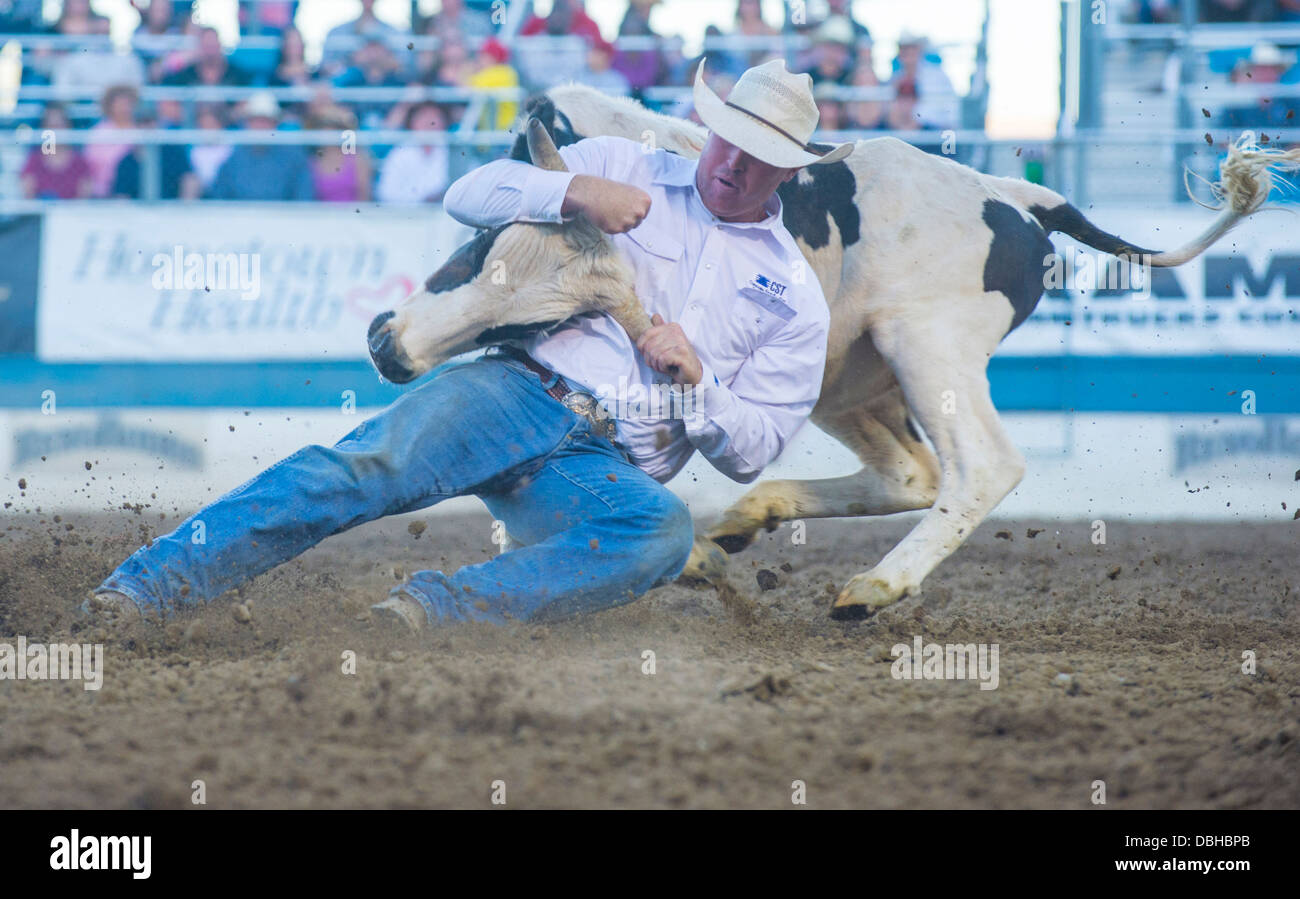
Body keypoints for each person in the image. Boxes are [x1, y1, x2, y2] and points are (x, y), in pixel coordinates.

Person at [87, 59, 849, 632]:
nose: (732, 162)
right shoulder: (626, 164)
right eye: (727, 138)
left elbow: (752, 449)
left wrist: (700, 382)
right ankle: (144, 587)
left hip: (608, 464)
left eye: (757, 154)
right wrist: (572, 192)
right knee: (360, 468)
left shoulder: (794, 295)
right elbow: (471, 193)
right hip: (516, 390)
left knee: (659, 531)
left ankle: (427, 615)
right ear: (708, 128)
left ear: (790, 169)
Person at [207, 92, 313, 200]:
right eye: (255, 121)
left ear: (275, 124)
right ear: (247, 124)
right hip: (240, 215)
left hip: (281, 216)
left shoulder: (294, 158)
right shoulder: (233, 157)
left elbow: (303, 198)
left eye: (266, 121)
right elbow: (219, 195)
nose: (260, 126)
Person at [375, 101, 451, 204]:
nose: (429, 123)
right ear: (412, 123)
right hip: (407, 215)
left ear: (444, 123)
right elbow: (386, 193)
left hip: (445, 215)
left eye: (434, 117)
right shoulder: (399, 154)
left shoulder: (454, 153)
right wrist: (422, 200)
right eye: (423, 117)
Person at [21, 104, 93, 199]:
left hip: (72, 213)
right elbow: (28, 195)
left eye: (60, 126)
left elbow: (84, 197)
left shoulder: (79, 162)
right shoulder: (34, 161)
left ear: (68, 127)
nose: (55, 131)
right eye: (51, 126)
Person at [305, 105, 373, 203]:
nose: (327, 131)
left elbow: (364, 197)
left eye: (333, 126)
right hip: (320, 217)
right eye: (323, 126)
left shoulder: (358, 160)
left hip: (353, 217)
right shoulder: (312, 162)